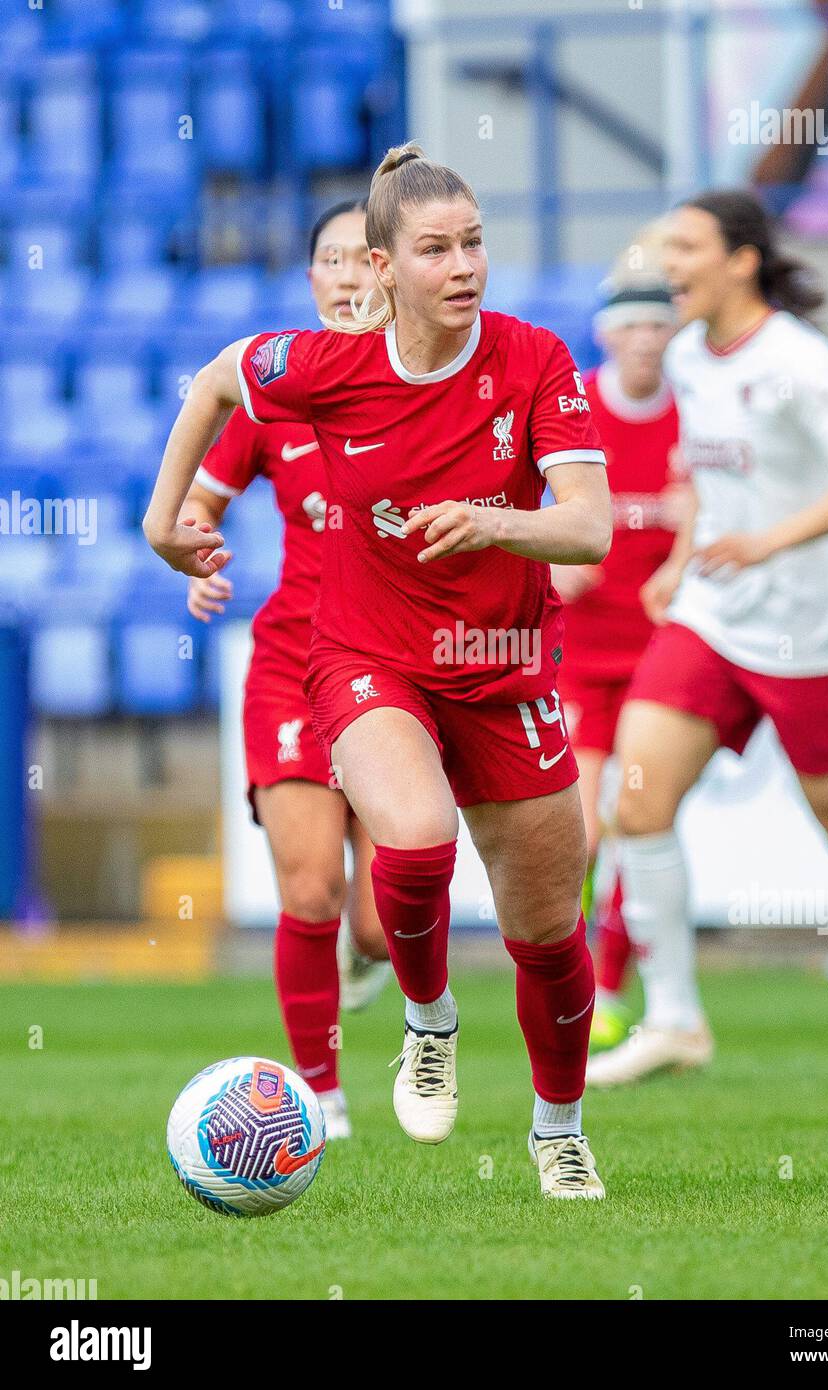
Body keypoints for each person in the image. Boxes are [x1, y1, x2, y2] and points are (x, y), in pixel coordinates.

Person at [144, 143, 614, 1198]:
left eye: (476, 243)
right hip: (366, 657)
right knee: (412, 833)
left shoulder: (536, 361)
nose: (465, 267)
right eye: (437, 249)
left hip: (504, 664)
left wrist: (494, 521)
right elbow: (220, 375)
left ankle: (558, 1128)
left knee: (548, 935)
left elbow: (589, 528)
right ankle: (430, 1021)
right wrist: (160, 522)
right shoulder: (329, 366)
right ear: (384, 265)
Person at [588, 189, 828, 1089]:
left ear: (741, 260)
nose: (668, 266)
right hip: (712, 619)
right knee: (635, 804)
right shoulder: (686, 355)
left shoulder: (801, 362)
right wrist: (681, 560)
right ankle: (676, 1020)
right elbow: (713, 486)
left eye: (685, 248)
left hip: (811, 635)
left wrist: (766, 541)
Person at [181, 201, 391, 1141]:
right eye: (330, 259)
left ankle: (369, 961)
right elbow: (200, 496)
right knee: (311, 890)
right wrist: (194, 550)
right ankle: (319, 1094)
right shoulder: (279, 390)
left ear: (392, 273)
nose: (347, 275)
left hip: (401, 669)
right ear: (312, 279)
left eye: (362, 258)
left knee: (386, 923)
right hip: (295, 664)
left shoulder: (431, 381)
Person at [550, 278, 683, 1051]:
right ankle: (568, 980)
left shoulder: (691, 416)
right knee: (580, 832)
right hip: (579, 653)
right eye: (630, 324)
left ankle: (608, 991)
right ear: (606, 335)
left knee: (636, 824)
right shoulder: (575, 409)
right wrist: (550, 563)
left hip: (661, 656)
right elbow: (519, 500)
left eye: (657, 325)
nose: (644, 338)